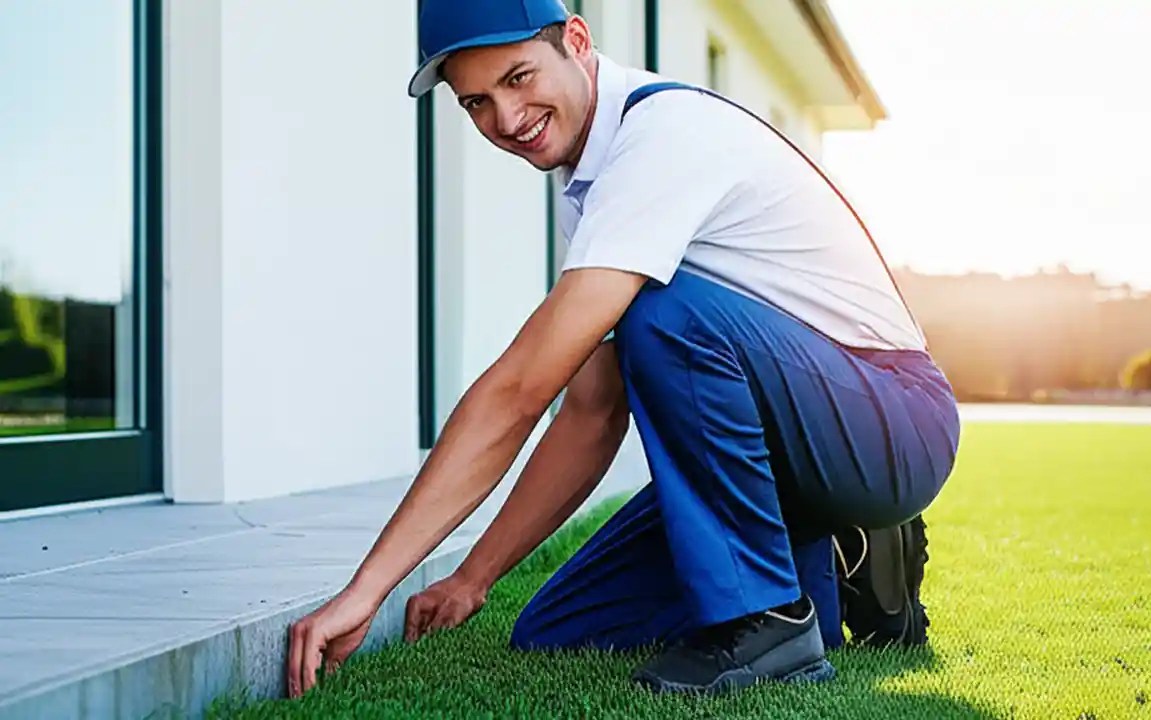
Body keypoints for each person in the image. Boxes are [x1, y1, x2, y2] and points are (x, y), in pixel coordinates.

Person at [286, 0, 960, 698]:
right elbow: (592, 410)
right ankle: (845, 561)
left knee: (664, 315)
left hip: (894, 420)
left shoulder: (663, 138)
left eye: (519, 79)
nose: (507, 120)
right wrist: (473, 577)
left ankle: (768, 619)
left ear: (577, 40)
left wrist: (365, 589)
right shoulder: (587, 186)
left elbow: (522, 390)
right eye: (477, 103)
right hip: (805, 444)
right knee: (561, 625)